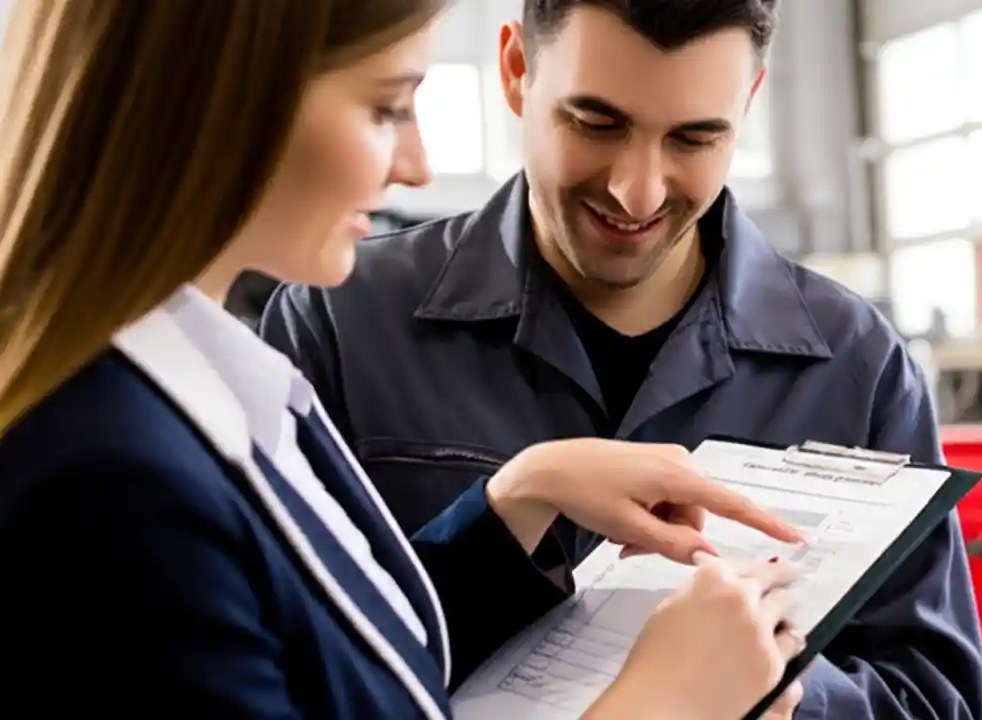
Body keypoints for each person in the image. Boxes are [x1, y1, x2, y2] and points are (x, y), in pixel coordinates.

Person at [0, 2, 810, 717]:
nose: (416, 167)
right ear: (223, 99)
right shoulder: (107, 476)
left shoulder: (218, 390)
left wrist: (513, 501)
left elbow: (335, 667)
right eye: (389, 107)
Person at [260, 0, 982, 717]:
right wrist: (493, 523)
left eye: (695, 139)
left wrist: (780, 687)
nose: (635, 191)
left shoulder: (860, 365)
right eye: (596, 124)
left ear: (750, 100)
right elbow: (281, 662)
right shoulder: (340, 321)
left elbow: (934, 700)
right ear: (516, 70)